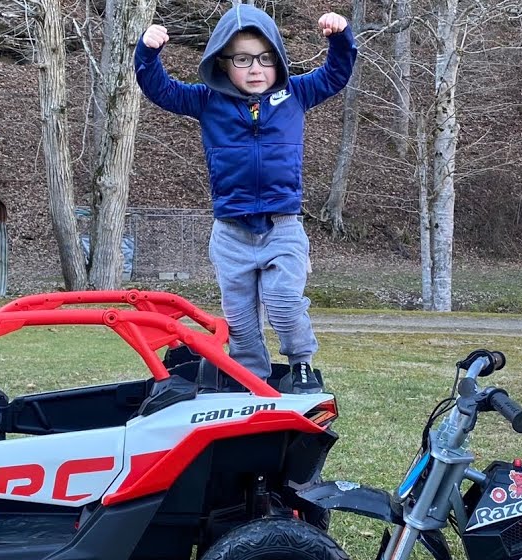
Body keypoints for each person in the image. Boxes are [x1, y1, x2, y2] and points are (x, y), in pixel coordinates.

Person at [134, 5, 357, 393]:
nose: (256, 68)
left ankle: (301, 363)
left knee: (285, 304)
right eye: (243, 59)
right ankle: (252, 376)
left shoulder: (296, 93)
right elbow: (161, 89)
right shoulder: (207, 101)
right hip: (231, 232)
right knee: (239, 318)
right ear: (222, 63)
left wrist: (340, 38)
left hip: (282, 228)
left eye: (265, 58)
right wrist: (148, 53)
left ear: (278, 60)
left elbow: (337, 74)